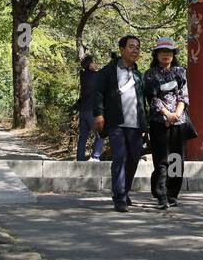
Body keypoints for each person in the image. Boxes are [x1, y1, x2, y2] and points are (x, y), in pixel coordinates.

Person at [93, 35, 148, 212]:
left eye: (138, 47)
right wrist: (99, 115)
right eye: (131, 46)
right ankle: (119, 198)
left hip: (135, 124)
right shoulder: (108, 71)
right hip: (116, 122)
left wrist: (144, 126)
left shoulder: (139, 76)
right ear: (122, 50)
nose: (135, 50)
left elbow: (142, 103)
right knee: (120, 157)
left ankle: (124, 191)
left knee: (133, 159)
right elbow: (98, 94)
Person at [143, 37, 190, 210]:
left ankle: (172, 193)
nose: (166, 55)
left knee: (177, 158)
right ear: (156, 55)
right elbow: (152, 98)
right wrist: (167, 115)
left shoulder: (180, 72)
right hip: (159, 121)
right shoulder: (149, 74)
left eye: (169, 52)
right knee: (161, 159)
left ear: (173, 55)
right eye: (162, 52)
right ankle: (161, 194)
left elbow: (183, 95)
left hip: (179, 121)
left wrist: (176, 114)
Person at [76, 55, 103, 162]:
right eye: (94, 62)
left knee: (82, 137)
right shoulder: (96, 76)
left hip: (83, 110)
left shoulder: (83, 75)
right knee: (101, 134)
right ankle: (95, 156)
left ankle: (80, 159)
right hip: (92, 111)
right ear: (90, 64)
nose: (96, 64)